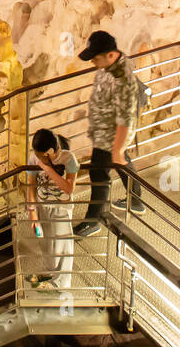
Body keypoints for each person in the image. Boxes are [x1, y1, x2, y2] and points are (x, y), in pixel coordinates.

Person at [74, 30, 146, 237]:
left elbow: (125, 119)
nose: (93, 63)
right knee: (122, 162)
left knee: (99, 175)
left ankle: (93, 220)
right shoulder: (110, 68)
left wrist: (117, 149)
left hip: (111, 136)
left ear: (111, 55)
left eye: (96, 58)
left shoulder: (123, 80)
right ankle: (136, 199)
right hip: (105, 132)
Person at [26, 128, 79, 291]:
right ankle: (50, 276)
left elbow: (69, 188)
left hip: (60, 209)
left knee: (62, 246)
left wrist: (49, 169)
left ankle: (61, 283)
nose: (37, 157)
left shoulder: (68, 159)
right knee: (46, 243)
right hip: (42, 206)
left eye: (40, 155)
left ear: (49, 151)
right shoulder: (34, 158)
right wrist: (32, 212)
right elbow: (31, 185)